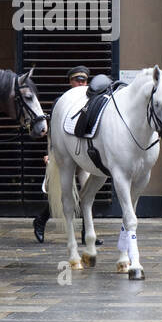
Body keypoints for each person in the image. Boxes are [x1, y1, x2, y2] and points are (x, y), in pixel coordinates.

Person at [32, 66, 103, 245]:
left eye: (84, 80)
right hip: (65, 153)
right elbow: (52, 132)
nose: (81, 83)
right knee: (62, 191)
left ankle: (88, 232)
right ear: (70, 81)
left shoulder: (91, 99)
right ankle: (40, 220)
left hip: (85, 154)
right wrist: (50, 152)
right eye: (77, 80)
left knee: (88, 191)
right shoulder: (62, 101)